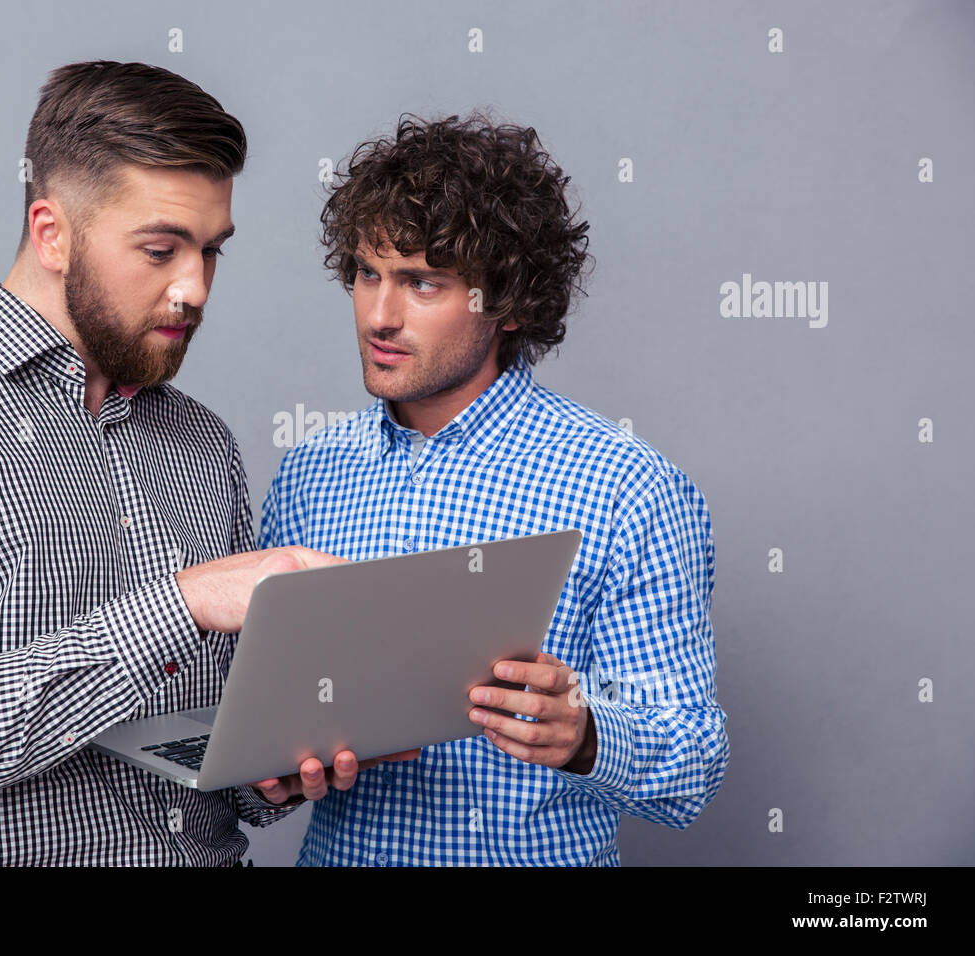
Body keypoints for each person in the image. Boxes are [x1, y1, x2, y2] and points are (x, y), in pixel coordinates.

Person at [0, 59, 398, 867]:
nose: (195, 290)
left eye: (212, 252)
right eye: (160, 250)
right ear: (53, 233)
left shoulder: (201, 442)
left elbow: (205, 746)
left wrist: (268, 773)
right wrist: (181, 605)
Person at [258, 113, 730, 865]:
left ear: (508, 304)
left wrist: (584, 733)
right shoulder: (311, 474)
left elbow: (693, 766)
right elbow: (265, 723)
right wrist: (273, 772)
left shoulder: (625, 486)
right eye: (367, 274)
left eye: (423, 283)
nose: (380, 315)